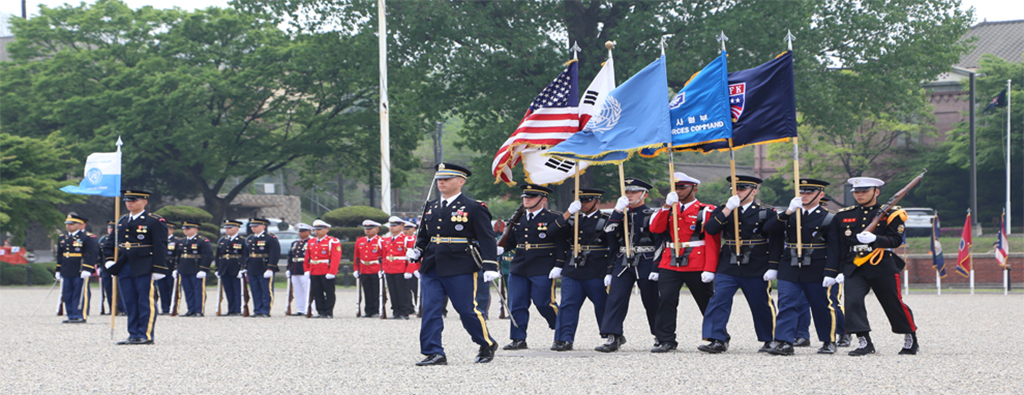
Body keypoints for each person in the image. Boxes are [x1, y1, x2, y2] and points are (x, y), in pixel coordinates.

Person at [406, 163, 499, 366]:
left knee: (466, 310)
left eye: (447, 179)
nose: (441, 182)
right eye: (440, 178)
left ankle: (486, 343)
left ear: (461, 181)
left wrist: (491, 265)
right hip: (432, 264)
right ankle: (434, 352)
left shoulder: (474, 207)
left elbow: (487, 238)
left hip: (460, 265)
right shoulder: (431, 206)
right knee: (430, 309)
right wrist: (418, 250)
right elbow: (423, 235)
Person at [828, 177, 919, 356]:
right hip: (854, 265)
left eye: (864, 191)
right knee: (852, 302)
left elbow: (896, 240)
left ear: (876, 192)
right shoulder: (843, 215)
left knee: (893, 303)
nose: (859, 195)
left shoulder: (891, 213)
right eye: (856, 192)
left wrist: (876, 239)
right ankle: (864, 341)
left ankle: (910, 336)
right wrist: (836, 271)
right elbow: (838, 246)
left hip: (881, 264)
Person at [762, 179, 847, 355]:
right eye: (801, 192)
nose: (804, 195)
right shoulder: (790, 215)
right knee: (786, 303)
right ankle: (784, 342)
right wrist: (788, 211)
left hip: (817, 266)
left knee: (822, 305)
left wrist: (831, 272)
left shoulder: (830, 218)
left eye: (809, 192)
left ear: (820, 195)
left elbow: (835, 247)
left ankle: (828, 340)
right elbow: (769, 229)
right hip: (790, 265)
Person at [699, 175, 782, 354]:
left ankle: (770, 338)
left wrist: (773, 266)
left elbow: (776, 241)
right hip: (728, 263)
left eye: (742, 188)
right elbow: (711, 229)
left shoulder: (766, 212)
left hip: (756, 263)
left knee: (761, 303)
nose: (737, 192)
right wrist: (728, 209)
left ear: (754, 191)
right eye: (735, 188)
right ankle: (716, 339)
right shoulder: (724, 210)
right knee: (719, 299)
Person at [648, 172, 720, 353]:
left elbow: (713, 241)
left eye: (683, 188)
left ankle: (717, 337)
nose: (678, 191)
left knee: (706, 300)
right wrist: (665, 206)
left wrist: (710, 268)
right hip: (670, 260)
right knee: (666, 299)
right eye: (676, 188)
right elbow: (655, 229)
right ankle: (666, 339)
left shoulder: (706, 210)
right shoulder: (669, 208)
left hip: (697, 261)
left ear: (694, 188)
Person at [596, 178, 662, 352]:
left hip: (646, 259)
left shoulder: (651, 214)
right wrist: (617, 210)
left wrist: (656, 267)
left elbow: (660, 241)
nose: (630, 195)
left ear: (644, 194)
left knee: (651, 299)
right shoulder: (620, 214)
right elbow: (608, 233)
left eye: (634, 192)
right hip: (624, 260)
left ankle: (661, 335)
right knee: (615, 298)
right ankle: (613, 336)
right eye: (627, 192)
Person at [500, 184, 566, 351]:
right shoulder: (518, 218)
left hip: (543, 265)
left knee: (544, 302)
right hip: (520, 265)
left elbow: (561, 243)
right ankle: (518, 338)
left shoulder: (554, 218)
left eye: (531, 197)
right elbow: (512, 241)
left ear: (543, 199)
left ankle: (562, 333)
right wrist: (501, 248)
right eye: (525, 197)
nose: (526, 199)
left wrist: (559, 264)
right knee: (517, 304)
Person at [102, 189, 169, 345]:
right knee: (129, 301)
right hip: (124, 265)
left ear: (144, 202)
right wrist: (109, 260)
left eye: (134, 200)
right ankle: (133, 334)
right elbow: (110, 244)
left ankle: (145, 334)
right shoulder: (122, 221)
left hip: (145, 265)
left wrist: (159, 268)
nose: (130, 203)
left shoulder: (154, 221)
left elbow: (160, 246)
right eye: (127, 200)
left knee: (144, 300)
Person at [551, 188, 615, 351]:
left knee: (602, 304)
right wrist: (567, 213)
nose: (583, 204)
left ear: (597, 202)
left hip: (597, 268)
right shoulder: (571, 219)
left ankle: (611, 336)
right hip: (573, 268)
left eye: (587, 200)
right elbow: (552, 232)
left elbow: (614, 247)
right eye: (581, 201)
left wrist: (610, 270)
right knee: (568, 304)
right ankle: (564, 339)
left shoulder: (606, 220)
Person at [56, 213, 99, 324]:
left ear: (80, 225)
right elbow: (60, 255)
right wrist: (58, 269)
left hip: (80, 269)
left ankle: (80, 314)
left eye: (72, 223)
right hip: (67, 269)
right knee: (68, 293)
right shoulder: (63, 238)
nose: (68, 226)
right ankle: (71, 315)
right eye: (67, 224)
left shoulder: (87, 238)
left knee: (79, 293)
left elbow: (91, 254)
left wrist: (88, 268)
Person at [243, 217, 280, 317]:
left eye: (256, 226)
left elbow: (274, 254)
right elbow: (247, 254)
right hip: (252, 267)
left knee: (266, 290)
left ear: (263, 226)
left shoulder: (270, 238)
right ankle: (257, 310)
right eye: (252, 226)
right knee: (255, 290)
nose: (253, 228)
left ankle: (266, 310)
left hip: (264, 266)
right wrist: (245, 267)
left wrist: (271, 268)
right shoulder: (250, 238)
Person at [305, 219, 341, 318]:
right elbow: (307, 257)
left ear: (327, 230)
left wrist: (332, 272)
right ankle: (321, 311)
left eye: (320, 229)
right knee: (317, 292)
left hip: (326, 270)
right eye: (316, 229)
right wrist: (307, 269)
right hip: (314, 270)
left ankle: (329, 311)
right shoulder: (311, 241)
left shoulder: (332, 241)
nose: (317, 231)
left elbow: (335, 258)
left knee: (329, 292)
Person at [177, 221, 214, 317]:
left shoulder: (202, 241)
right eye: (184, 229)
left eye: (188, 228)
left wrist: (203, 269)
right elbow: (178, 256)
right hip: (185, 269)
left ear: (195, 229)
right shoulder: (182, 241)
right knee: (188, 291)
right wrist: (177, 268)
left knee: (198, 291)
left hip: (196, 269)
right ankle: (191, 309)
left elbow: (208, 256)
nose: (185, 230)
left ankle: (199, 310)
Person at [383, 216, 414, 319]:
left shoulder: (407, 239)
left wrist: (409, 270)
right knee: (392, 290)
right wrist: (383, 268)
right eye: (391, 226)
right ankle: (396, 311)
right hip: (389, 268)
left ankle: (404, 312)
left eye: (395, 226)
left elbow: (412, 256)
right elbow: (384, 256)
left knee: (402, 291)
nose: (392, 228)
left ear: (401, 227)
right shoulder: (386, 240)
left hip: (401, 268)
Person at [354, 220, 385, 317]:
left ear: (377, 229)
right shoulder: (360, 241)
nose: (367, 231)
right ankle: (368, 310)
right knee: (367, 290)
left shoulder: (381, 241)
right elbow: (357, 256)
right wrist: (356, 269)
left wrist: (383, 269)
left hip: (376, 268)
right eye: (366, 229)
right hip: (364, 268)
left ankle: (376, 309)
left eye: (370, 229)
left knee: (376, 291)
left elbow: (384, 256)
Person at [216, 220, 245, 316]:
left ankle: (237, 309)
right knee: (228, 290)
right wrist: (217, 268)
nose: (227, 230)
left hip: (236, 267)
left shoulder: (242, 241)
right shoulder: (222, 240)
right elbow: (218, 255)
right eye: (226, 228)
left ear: (237, 229)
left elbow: (245, 255)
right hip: (224, 267)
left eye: (230, 228)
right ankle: (231, 309)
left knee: (237, 290)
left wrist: (243, 268)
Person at [98, 220, 126, 315]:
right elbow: (100, 254)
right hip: (106, 267)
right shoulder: (103, 240)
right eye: (109, 228)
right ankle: (112, 308)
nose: (110, 230)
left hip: (119, 266)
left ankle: (122, 309)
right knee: (108, 289)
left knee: (120, 289)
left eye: (112, 228)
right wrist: (98, 266)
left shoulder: (121, 238)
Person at [286, 223, 313, 316]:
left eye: (303, 231)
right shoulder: (295, 243)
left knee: (307, 290)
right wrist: (288, 269)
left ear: (309, 232)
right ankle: (300, 309)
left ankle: (309, 309)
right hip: (295, 269)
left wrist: (309, 269)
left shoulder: (311, 242)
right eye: (300, 231)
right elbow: (290, 257)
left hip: (305, 269)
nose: (300, 233)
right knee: (297, 291)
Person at [156, 222, 179, 315]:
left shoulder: (177, 241)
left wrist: (176, 268)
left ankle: (172, 307)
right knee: (162, 289)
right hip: (161, 267)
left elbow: (178, 255)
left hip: (171, 267)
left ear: (172, 230)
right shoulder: (160, 240)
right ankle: (165, 308)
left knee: (171, 288)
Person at [403, 220, 420, 311]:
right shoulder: (403, 240)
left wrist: (413, 269)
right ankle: (409, 307)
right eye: (404, 229)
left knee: (417, 289)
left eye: (408, 229)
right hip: (403, 268)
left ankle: (419, 307)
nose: (405, 231)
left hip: (415, 269)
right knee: (406, 290)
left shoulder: (417, 239)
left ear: (414, 229)